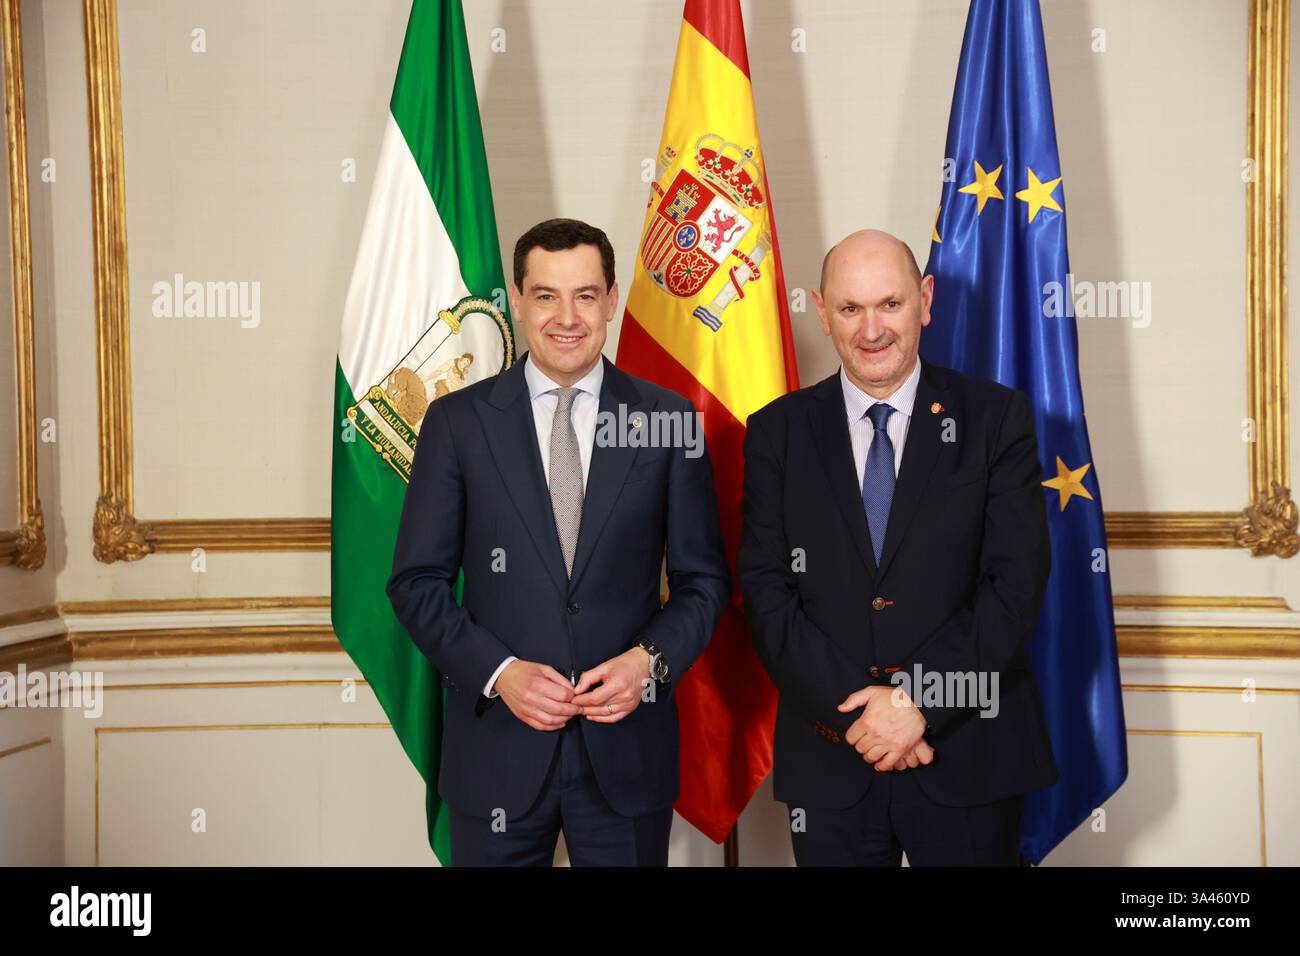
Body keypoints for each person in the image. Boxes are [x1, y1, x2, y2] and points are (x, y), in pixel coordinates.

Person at [388, 218, 729, 866]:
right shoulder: (458, 423)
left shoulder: (667, 421)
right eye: (546, 296)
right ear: (517, 301)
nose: (566, 317)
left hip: (627, 752)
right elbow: (415, 583)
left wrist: (647, 663)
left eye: (584, 295)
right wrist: (500, 674)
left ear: (611, 300)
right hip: (496, 753)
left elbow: (703, 582)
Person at [739, 228, 1058, 866]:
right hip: (834, 756)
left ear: (926, 300)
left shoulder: (996, 419)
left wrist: (918, 703)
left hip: (968, 753)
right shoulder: (777, 431)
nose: (871, 328)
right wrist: (867, 719)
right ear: (821, 311)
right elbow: (766, 591)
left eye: (890, 304)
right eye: (851, 308)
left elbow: (1014, 585)